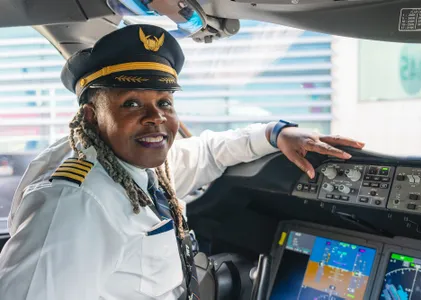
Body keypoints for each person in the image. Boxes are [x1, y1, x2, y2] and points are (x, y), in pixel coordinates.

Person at [0, 24, 364, 300]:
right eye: (131, 103)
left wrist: (275, 133)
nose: (155, 117)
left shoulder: (136, 162)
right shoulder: (76, 203)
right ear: (92, 116)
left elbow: (208, 152)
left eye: (165, 102)